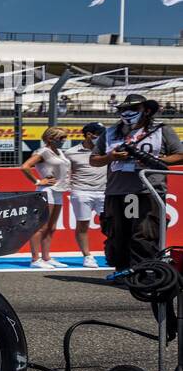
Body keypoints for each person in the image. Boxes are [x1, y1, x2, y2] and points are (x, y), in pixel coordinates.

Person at [91, 92, 183, 272]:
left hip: (148, 190)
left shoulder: (162, 130)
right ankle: (121, 270)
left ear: (147, 110)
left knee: (144, 233)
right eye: (124, 109)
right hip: (116, 191)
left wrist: (154, 159)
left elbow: (180, 155)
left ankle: (144, 272)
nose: (127, 113)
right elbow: (94, 159)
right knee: (117, 234)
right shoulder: (110, 133)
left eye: (134, 108)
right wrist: (111, 156)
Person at [21, 126, 71, 269]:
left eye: (64, 137)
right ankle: (35, 259)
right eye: (61, 138)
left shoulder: (60, 152)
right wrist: (38, 181)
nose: (64, 140)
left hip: (58, 192)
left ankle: (46, 257)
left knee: (51, 227)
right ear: (50, 138)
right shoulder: (43, 152)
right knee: (41, 227)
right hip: (46, 191)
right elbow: (25, 166)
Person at [67, 122, 107, 269]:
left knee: (109, 225)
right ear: (89, 135)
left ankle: (111, 251)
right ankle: (87, 256)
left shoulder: (107, 149)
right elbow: (63, 172)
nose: (103, 137)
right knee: (83, 224)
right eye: (100, 134)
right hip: (81, 191)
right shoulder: (71, 152)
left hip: (105, 191)